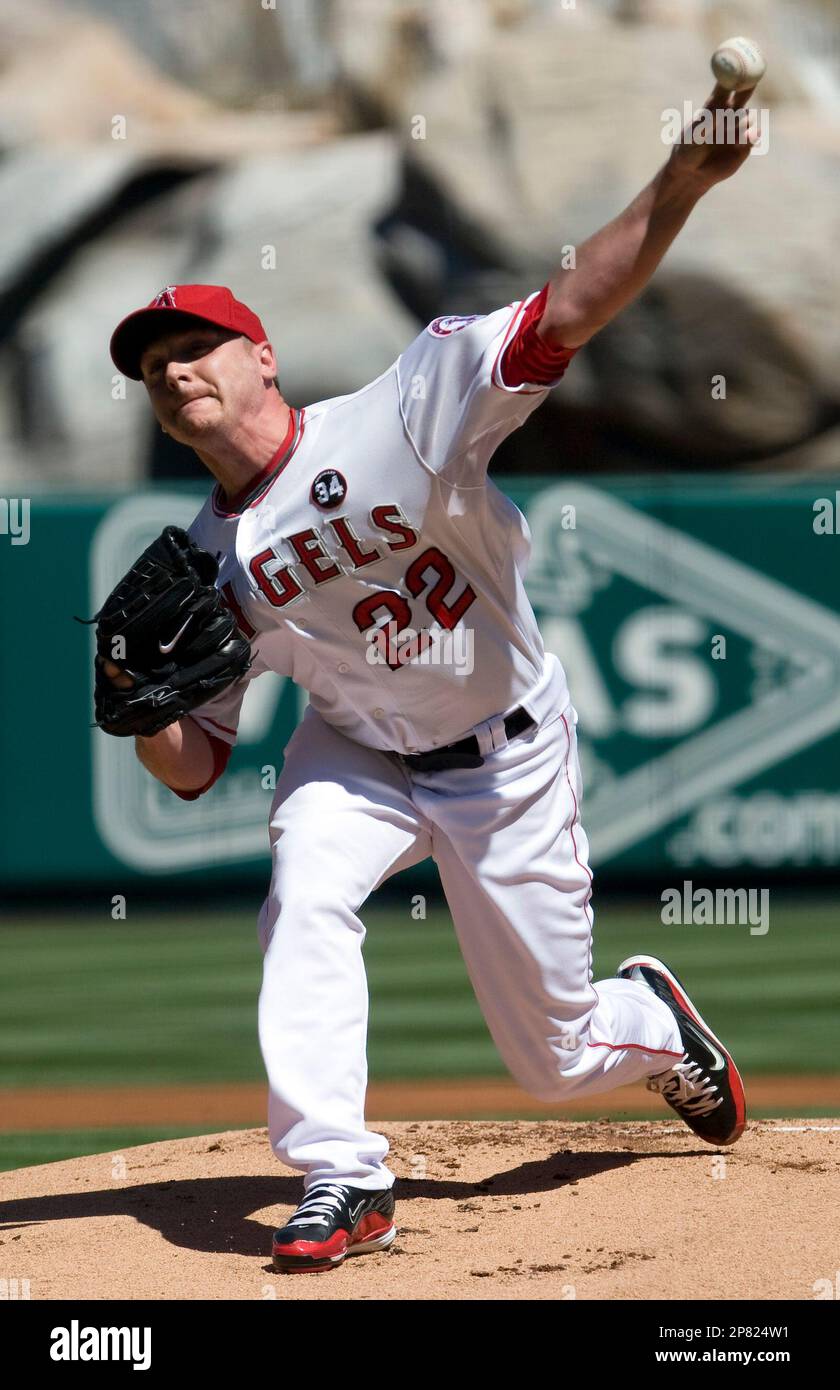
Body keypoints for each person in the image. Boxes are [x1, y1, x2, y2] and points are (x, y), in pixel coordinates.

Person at [106, 83, 758, 1273]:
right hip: (353, 753)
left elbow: (567, 308)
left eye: (193, 345)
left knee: (552, 1061)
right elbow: (195, 767)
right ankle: (342, 1175)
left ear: (262, 357)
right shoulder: (198, 558)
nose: (171, 369)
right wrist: (139, 713)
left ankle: (655, 1021)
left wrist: (679, 187)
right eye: (151, 363)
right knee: (303, 890)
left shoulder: (407, 407)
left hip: (505, 752)